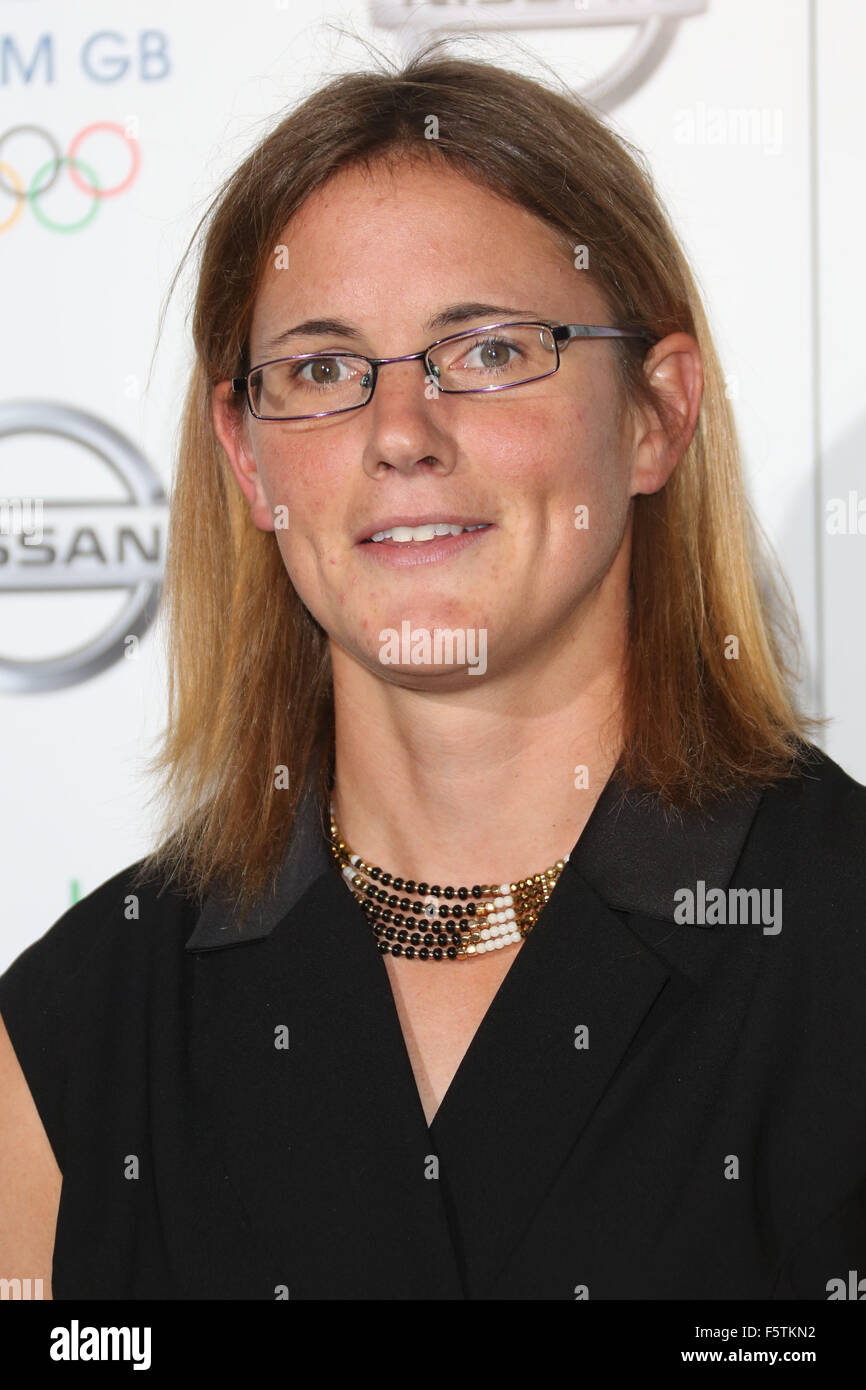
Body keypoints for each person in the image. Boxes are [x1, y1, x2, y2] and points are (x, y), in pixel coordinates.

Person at [1, 41, 864, 1302]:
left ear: (653, 414)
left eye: (491, 352)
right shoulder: (75, 1039)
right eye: (320, 370)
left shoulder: (836, 951)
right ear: (247, 461)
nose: (400, 433)